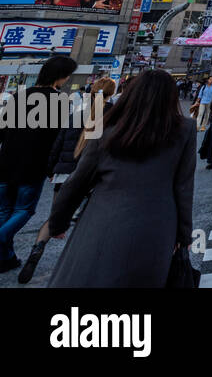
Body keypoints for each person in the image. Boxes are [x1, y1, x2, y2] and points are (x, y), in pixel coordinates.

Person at [45, 70, 195, 287]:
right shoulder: (184, 129)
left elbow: (78, 181)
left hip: (102, 219)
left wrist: (58, 223)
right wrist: (184, 236)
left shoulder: (108, 125)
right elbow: (183, 187)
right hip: (157, 225)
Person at [0, 56, 78, 274]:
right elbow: (56, 139)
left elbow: (3, 130)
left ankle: (6, 258)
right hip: (33, 164)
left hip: (6, 161)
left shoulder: (19, 96)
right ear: (61, 76)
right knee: (24, 209)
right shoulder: (59, 101)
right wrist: (54, 166)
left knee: (5, 209)